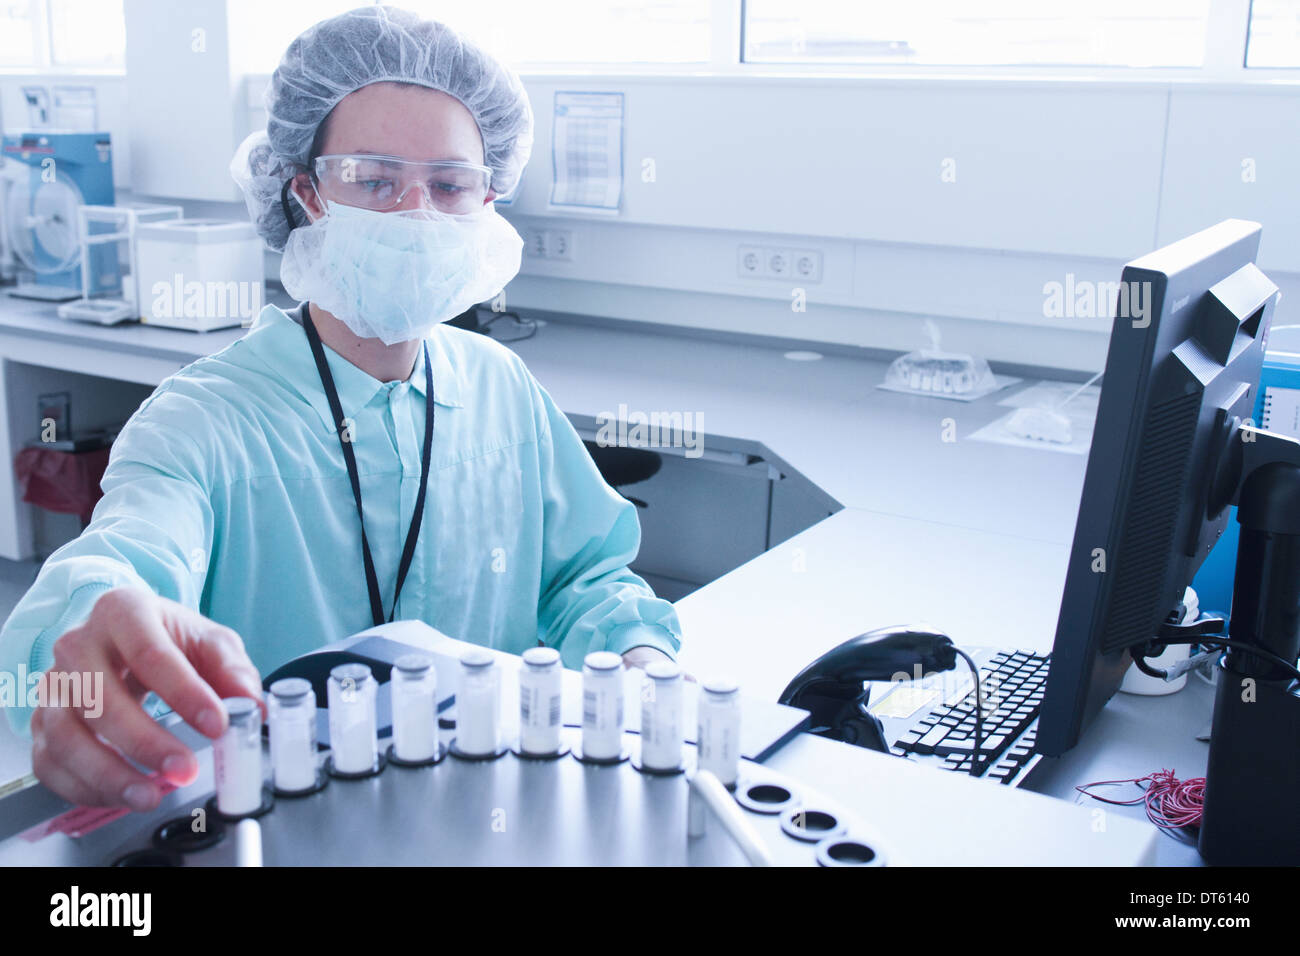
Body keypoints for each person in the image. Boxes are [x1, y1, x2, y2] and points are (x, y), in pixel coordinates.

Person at [0, 6, 681, 812]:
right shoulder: (204, 422)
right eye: (373, 179)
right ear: (306, 191)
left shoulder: (503, 389)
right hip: (282, 818)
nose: (416, 214)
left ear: (488, 200)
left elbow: (583, 576)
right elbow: (126, 558)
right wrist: (90, 629)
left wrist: (638, 659)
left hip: (483, 811)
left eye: (450, 185)